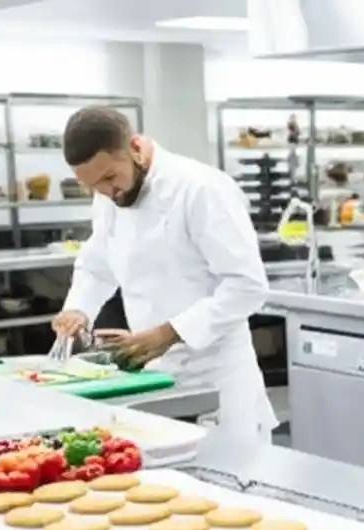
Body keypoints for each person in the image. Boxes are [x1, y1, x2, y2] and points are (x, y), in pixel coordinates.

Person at [50, 106, 276, 453]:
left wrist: (169, 333)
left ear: (136, 148)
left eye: (110, 178)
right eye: (92, 186)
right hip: (155, 376)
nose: (106, 192)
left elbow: (247, 286)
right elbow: (97, 264)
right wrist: (78, 309)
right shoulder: (110, 196)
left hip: (216, 381)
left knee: (233, 489)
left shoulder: (200, 188)